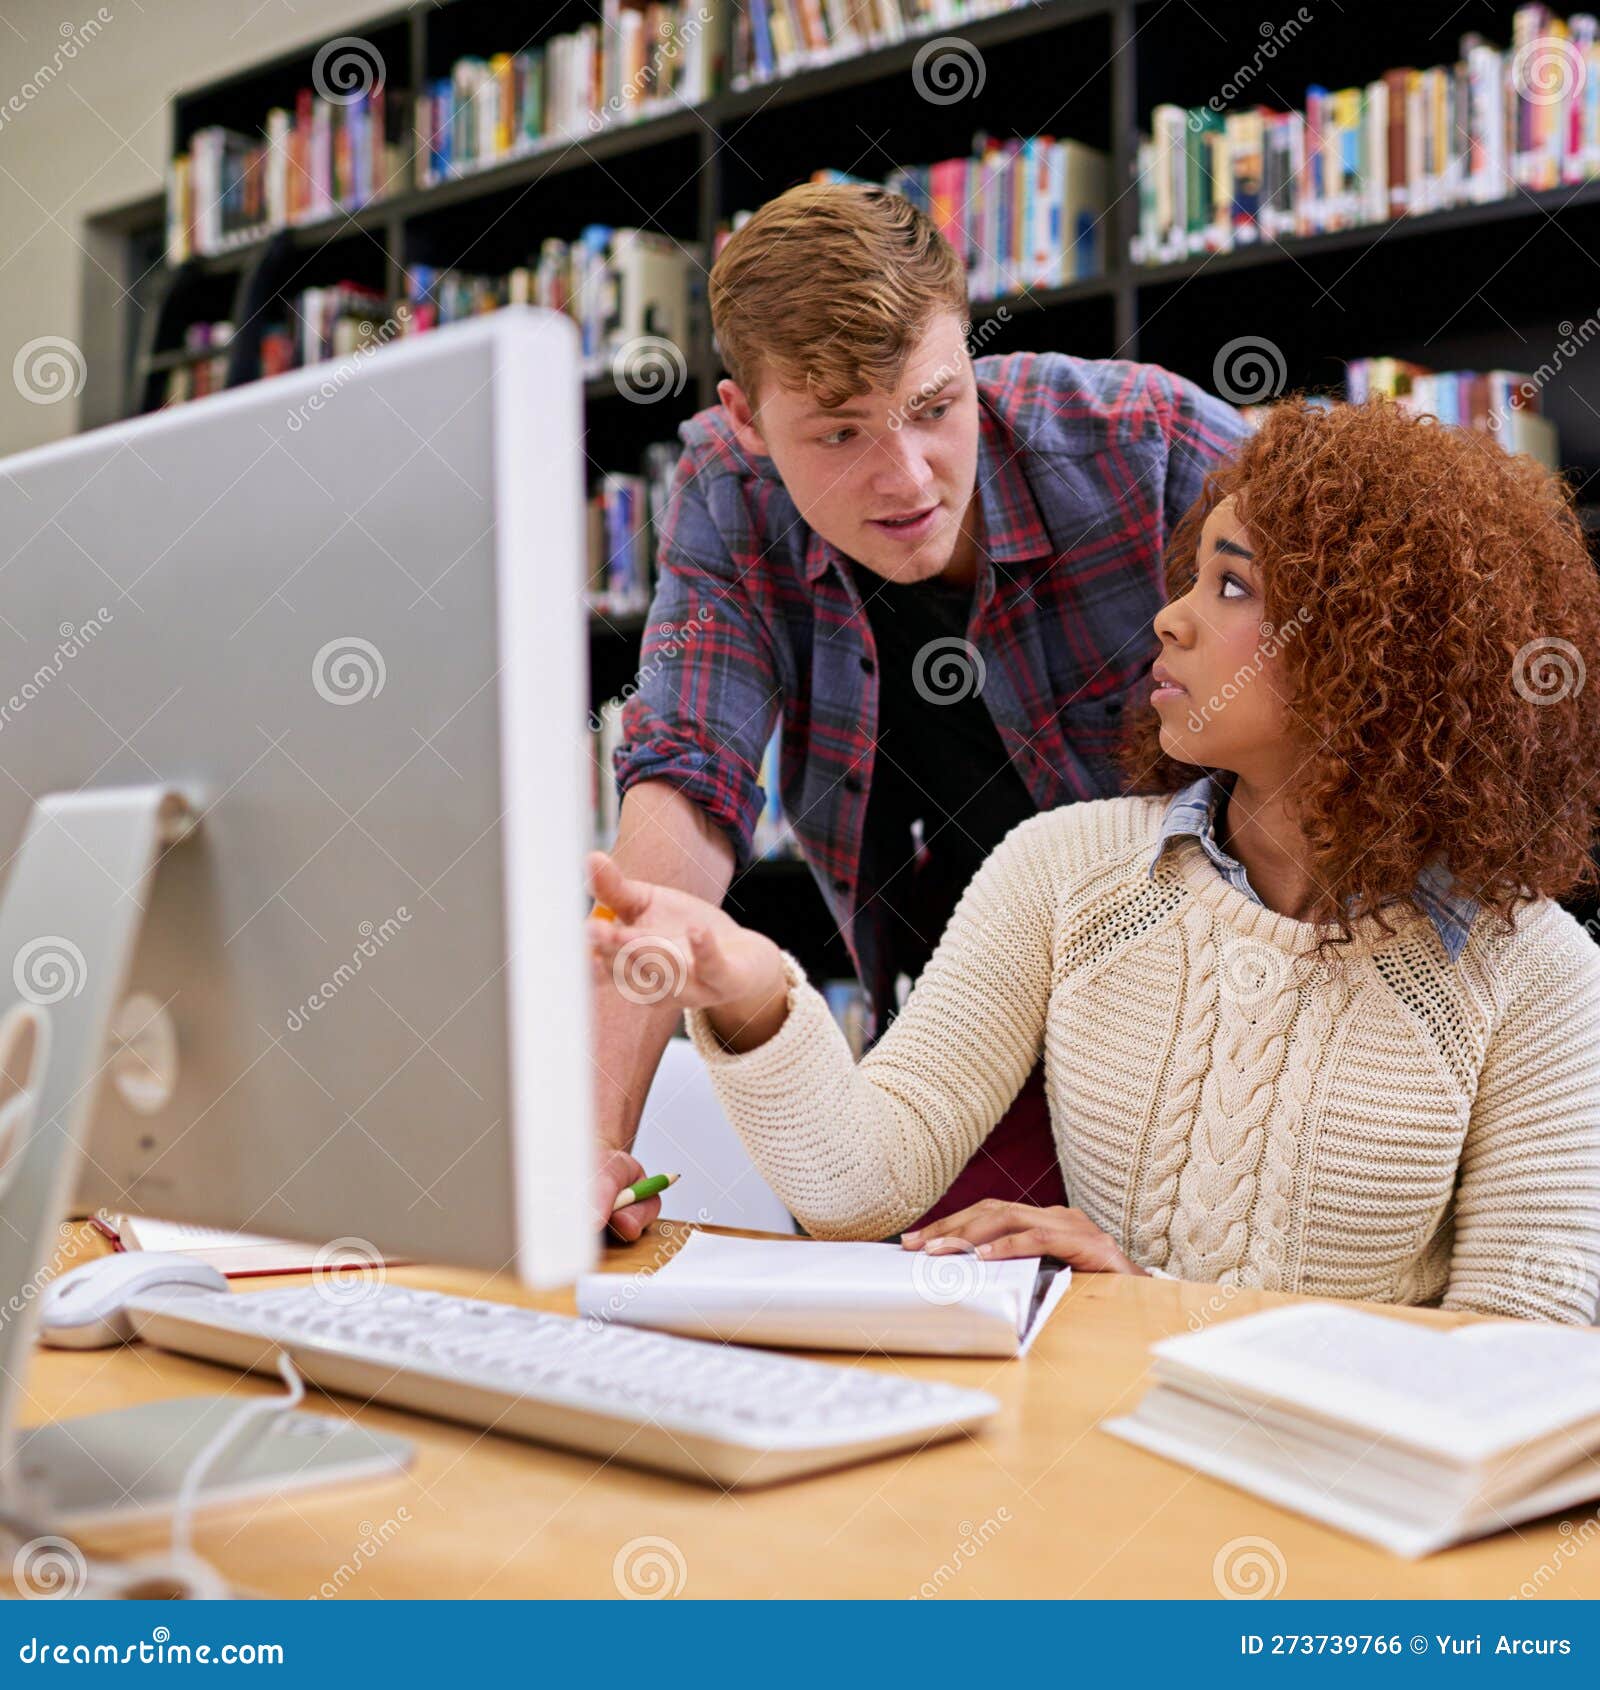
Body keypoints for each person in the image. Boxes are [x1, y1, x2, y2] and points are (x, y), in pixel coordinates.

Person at [588, 394, 1600, 1325]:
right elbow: (864, 1184)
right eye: (1191, 575)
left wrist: (1157, 1309)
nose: (1169, 616)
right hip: (1102, 1465)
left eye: (1233, 585)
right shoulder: (1063, 870)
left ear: (1374, 652)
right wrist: (753, 992)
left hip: (1361, 1510)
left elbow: (1523, 1354)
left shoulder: (1537, 976)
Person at [593, 179, 1247, 1238]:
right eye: (840, 433)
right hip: (958, 1016)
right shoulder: (727, 490)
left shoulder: (1152, 442)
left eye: (936, 408)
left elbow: (1376, 691)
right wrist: (593, 1147)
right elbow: (683, 785)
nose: (907, 478)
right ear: (746, 421)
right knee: (892, 1278)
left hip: (1211, 1009)